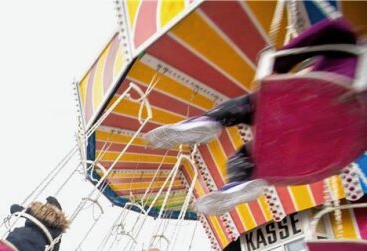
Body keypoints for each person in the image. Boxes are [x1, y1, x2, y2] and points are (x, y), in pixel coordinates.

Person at [144, 18, 360, 215]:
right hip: (332, 145)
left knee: (251, 107)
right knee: (251, 142)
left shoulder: (346, 52)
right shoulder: (350, 65)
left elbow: (332, 27)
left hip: (321, 106)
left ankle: (213, 123)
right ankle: (238, 182)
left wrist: (278, 65)